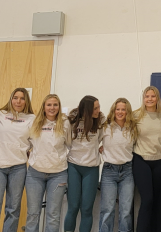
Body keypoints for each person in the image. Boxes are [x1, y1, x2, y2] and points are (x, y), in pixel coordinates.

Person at [0, 87, 34, 232]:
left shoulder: (32, 118)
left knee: (13, 209)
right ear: (11, 99)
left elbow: (36, 140)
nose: (18, 101)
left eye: (22, 98)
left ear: (26, 101)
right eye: (15, 98)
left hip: (18, 168)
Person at [26, 94, 70, 232]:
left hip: (58, 174)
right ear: (44, 107)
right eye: (49, 105)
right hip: (35, 173)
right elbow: (26, 143)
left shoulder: (65, 123)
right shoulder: (34, 122)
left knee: (53, 215)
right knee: (33, 214)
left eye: (55, 105)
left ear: (59, 107)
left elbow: (70, 145)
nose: (52, 108)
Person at [65, 95, 104, 232]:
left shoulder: (100, 120)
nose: (98, 110)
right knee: (73, 207)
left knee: (86, 208)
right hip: (74, 166)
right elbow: (66, 141)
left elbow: (102, 138)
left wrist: (103, 147)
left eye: (98, 107)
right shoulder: (72, 120)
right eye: (95, 108)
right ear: (86, 109)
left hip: (91, 168)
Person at [133, 86, 161, 232]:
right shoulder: (136, 116)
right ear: (143, 99)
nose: (150, 99)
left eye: (153, 96)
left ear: (157, 98)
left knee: (160, 202)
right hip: (141, 160)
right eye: (147, 96)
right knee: (147, 200)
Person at [99, 98, 138, 232]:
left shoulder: (133, 128)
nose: (120, 112)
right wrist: (99, 148)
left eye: (123, 109)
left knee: (126, 211)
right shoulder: (105, 127)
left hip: (127, 171)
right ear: (113, 110)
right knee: (107, 210)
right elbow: (92, 142)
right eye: (118, 109)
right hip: (109, 171)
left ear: (127, 112)